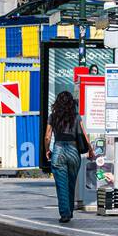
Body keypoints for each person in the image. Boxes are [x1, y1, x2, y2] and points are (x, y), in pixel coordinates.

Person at [44, 91, 95, 223]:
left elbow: (47, 136)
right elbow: (84, 134)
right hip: (73, 151)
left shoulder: (52, 117)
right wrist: (90, 150)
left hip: (59, 149)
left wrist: (47, 150)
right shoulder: (77, 117)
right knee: (71, 183)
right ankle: (70, 211)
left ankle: (65, 214)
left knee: (61, 185)